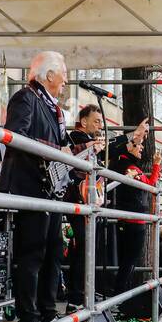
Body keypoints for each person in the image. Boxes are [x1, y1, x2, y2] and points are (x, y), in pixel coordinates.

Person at [0, 51, 70, 322]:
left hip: (48, 190)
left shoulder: (51, 106)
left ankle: (48, 311)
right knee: (32, 254)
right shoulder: (26, 97)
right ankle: (29, 317)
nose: (66, 78)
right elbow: (16, 135)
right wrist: (55, 151)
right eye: (63, 71)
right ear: (49, 75)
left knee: (53, 251)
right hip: (31, 187)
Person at [106, 117, 158, 300]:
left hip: (138, 217)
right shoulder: (123, 161)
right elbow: (143, 185)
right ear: (130, 147)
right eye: (139, 146)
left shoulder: (134, 166)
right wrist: (135, 137)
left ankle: (123, 292)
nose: (142, 149)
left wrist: (157, 165)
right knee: (128, 259)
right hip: (131, 219)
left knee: (131, 259)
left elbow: (150, 184)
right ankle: (120, 293)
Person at [61, 103, 107, 310]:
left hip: (88, 200)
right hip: (78, 199)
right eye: (96, 121)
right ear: (84, 121)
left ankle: (83, 292)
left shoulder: (89, 141)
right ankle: (76, 296)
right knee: (84, 247)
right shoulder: (77, 139)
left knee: (88, 247)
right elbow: (70, 160)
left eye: (100, 121)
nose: (99, 126)